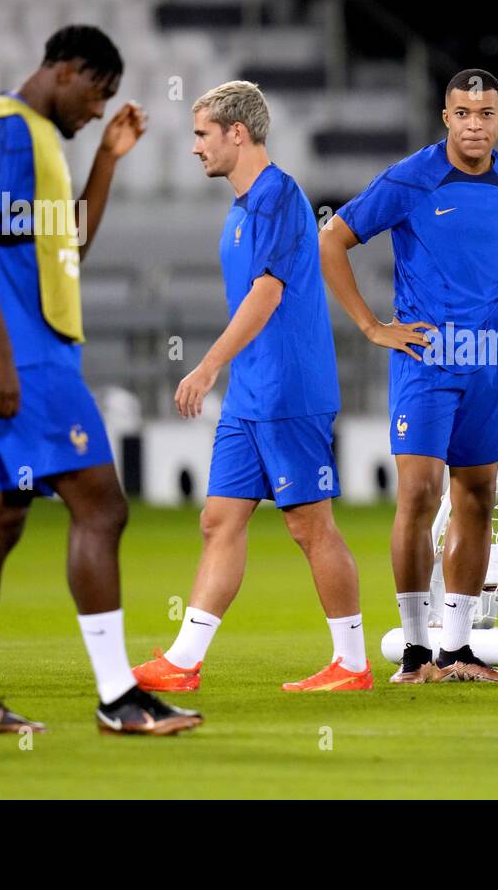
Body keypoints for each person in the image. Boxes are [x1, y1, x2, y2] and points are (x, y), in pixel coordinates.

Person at [0, 24, 201, 735]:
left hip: (10, 348)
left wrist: (109, 159)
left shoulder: (39, 143)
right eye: (97, 93)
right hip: (22, 352)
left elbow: (70, 242)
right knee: (102, 504)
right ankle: (119, 695)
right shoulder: (12, 130)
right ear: (64, 69)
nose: (96, 111)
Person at [320, 69, 498, 683]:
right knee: (418, 496)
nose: (474, 125)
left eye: (485, 114)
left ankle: (458, 650)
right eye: (463, 113)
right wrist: (371, 325)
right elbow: (332, 239)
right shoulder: (411, 178)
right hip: (424, 361)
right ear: (446, 118)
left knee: (477, 498)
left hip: (489, 361)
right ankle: (414, 651)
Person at [133, 81, 371, 694]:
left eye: (202, 134)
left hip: (288, 389)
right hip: (252, 393)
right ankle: (185, 661)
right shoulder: (243, 206)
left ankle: (351, 663)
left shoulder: (278, 199)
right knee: (218, 519)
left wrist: (207, 365)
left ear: (237, 133)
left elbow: (267, 295)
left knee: (309, 525)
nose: (194, 148)